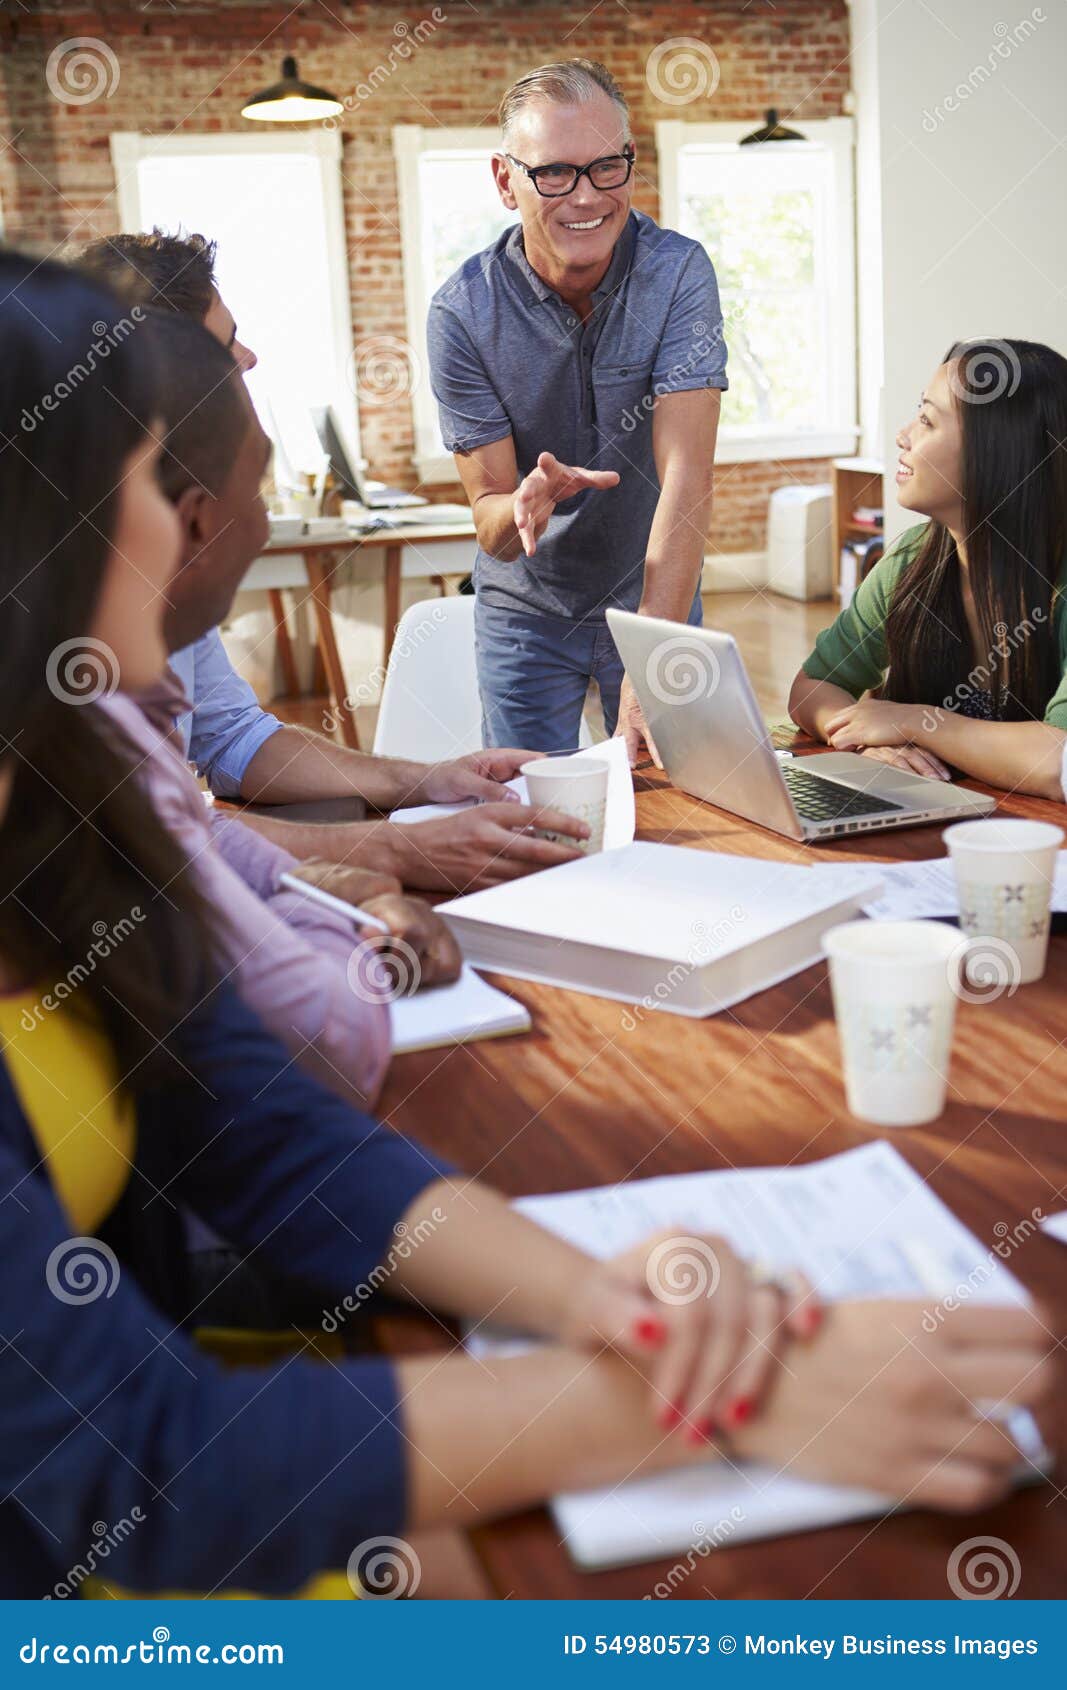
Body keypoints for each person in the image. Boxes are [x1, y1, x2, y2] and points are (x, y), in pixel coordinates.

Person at [1, 252, 1052, 1600]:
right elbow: (137, 1478)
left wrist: (608, 1300)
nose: (189, 527)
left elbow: (259, 1132)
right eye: (149, 484)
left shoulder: (74, 810)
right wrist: (728, 1396)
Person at [74, 228, 588, 889]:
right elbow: (133, 832)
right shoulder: (63, 580)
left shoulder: (169, 544)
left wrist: (424, 780)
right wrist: (397, 853)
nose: (250, 357)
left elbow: (229, 739)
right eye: (227, 342)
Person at [98, 310, 463, 1111]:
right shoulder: (89, 728)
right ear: (190, 516)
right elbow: (327, 1033)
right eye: (256, 489)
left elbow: (195, 816)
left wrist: (349, 868)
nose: (265, 524)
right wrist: (357, 898)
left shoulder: (121, 690)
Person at [427, 59, 727, 761]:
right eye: (554, 173)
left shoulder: (677, 272)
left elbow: (687, 477)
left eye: (606, 167)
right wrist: (522, 507)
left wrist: (655, 649)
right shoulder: (463, 312)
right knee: (528, 821)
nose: (586, 197)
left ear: (629, 161)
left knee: (682, 812)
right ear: (506, 181)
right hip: (525, 615)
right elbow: (491, 526)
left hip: (653, 598)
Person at [790, 340, 1067, 799]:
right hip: (942, 827)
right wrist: (864, 741)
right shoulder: (909, 564)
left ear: (996, 453)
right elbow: (812, 687)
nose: (903, 436)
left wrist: (912, 722)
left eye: (926, 420)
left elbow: (1058, 764)